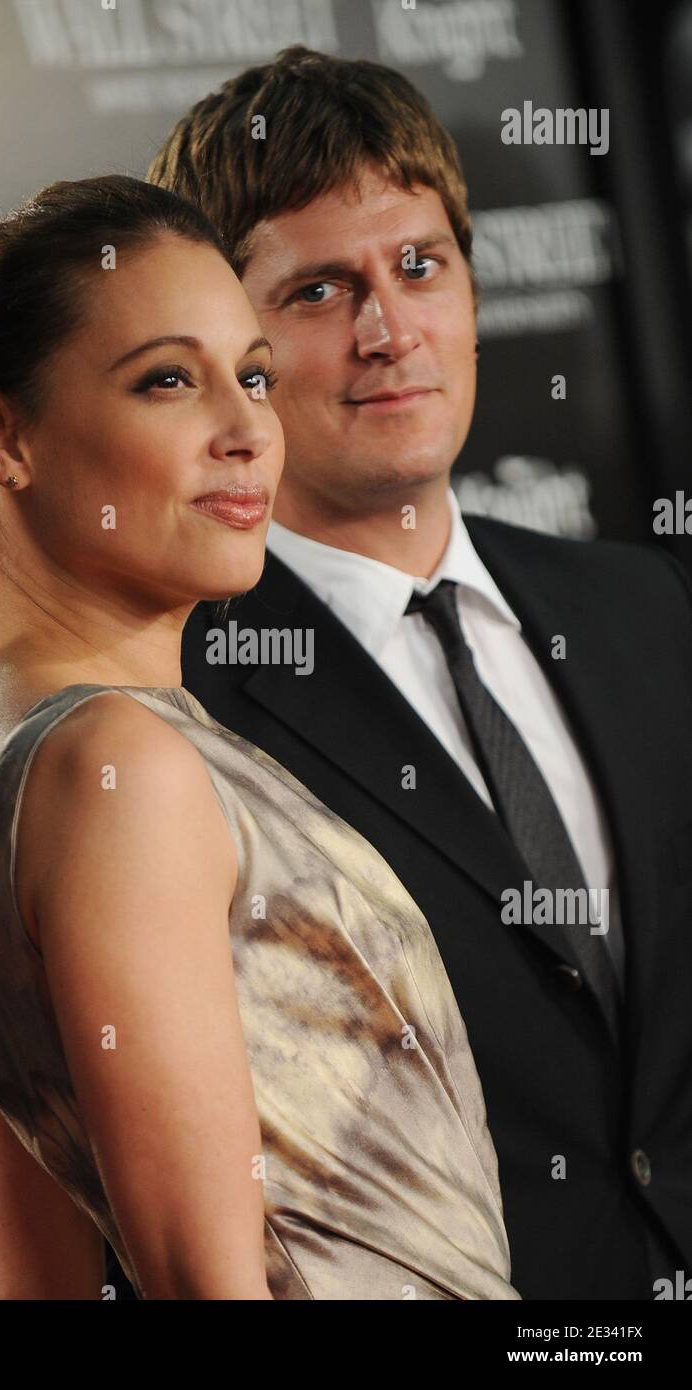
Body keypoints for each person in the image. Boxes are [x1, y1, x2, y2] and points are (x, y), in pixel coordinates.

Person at [0, 173, 519, 1301]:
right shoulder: (119, 767)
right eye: (169, 381)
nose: (247, 432)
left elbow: (28, 1293)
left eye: (253, 376)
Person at [149, 45, 692, 1300]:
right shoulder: (181, 715)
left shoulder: (640, 607)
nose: (389, 331)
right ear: (231, 348)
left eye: (417, 266)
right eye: (324, 290)